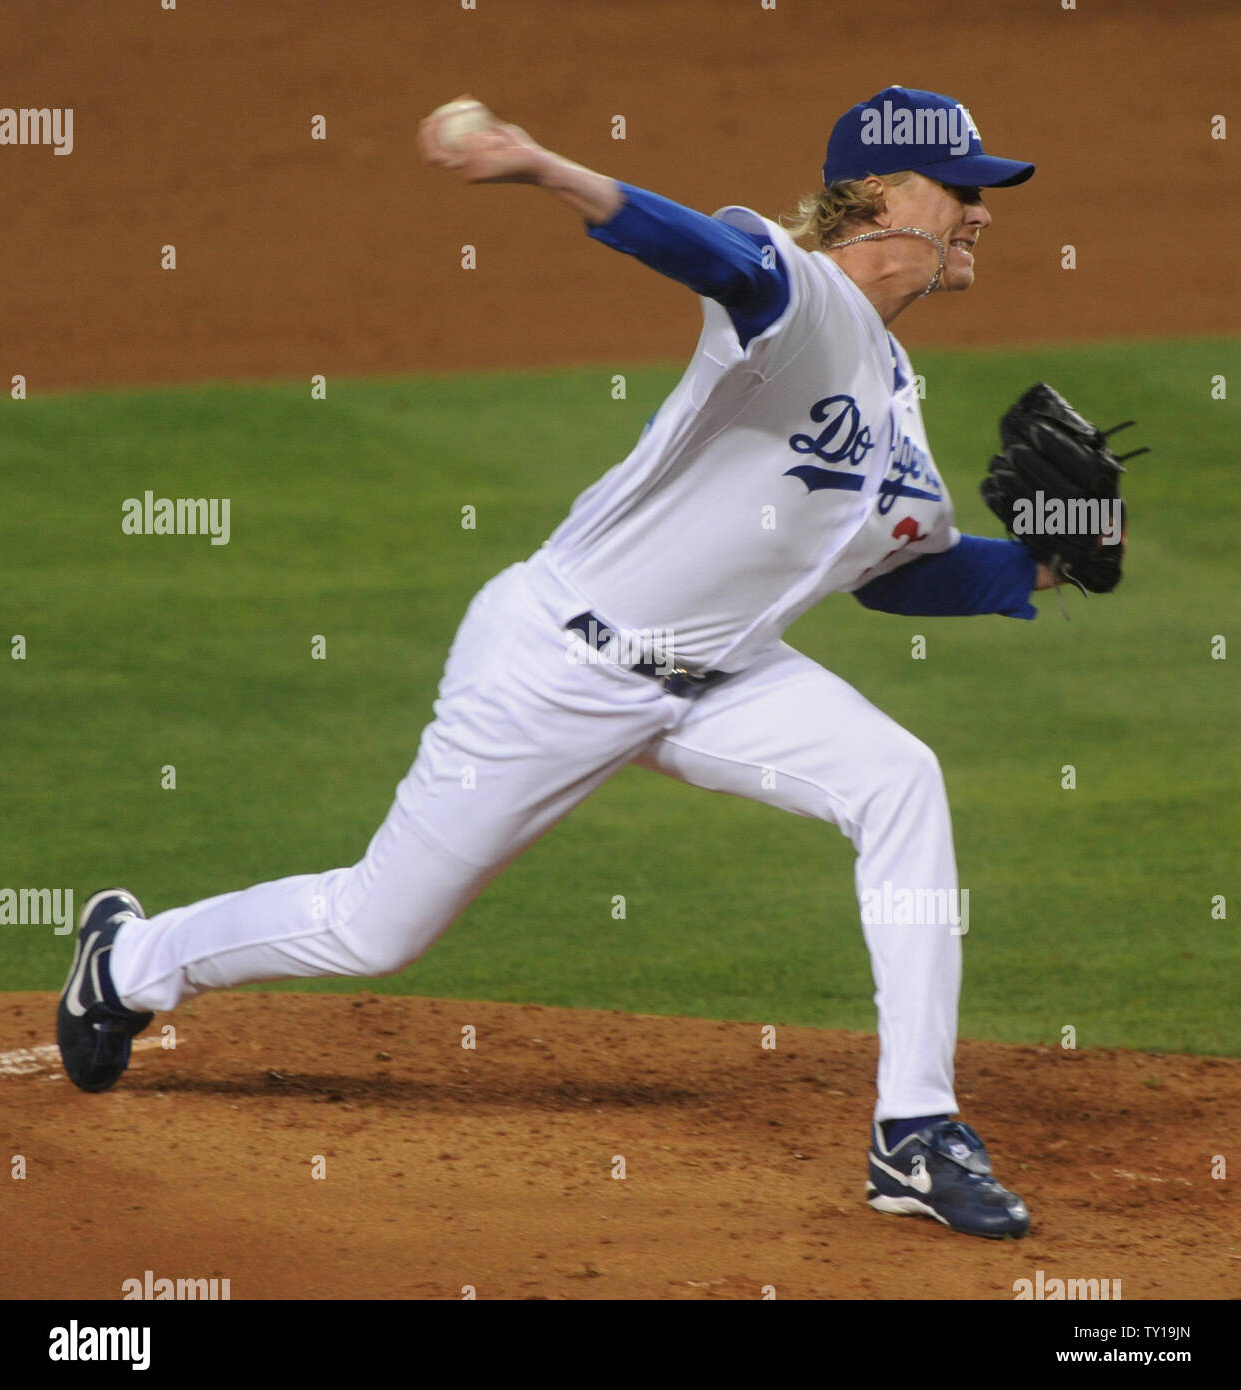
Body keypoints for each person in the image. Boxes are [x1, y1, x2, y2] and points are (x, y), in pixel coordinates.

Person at [60, 86, 1048, 1239]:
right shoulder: (797, 291)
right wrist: (541, 167)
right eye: (963, 190)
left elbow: (903, 571)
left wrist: (1057, 563)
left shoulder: (898, 399)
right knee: (378, 928)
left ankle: (914, 1135)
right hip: (552, 665)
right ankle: (128, 958)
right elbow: (712, 252)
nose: (982, 213)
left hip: (720, 674)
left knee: (901, 779)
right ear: (880, 196)